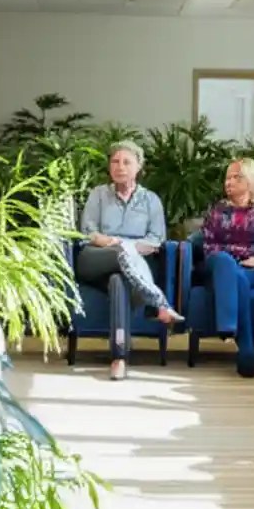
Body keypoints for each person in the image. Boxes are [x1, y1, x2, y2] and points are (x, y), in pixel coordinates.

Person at [76, 140, 182, 381]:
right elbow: (88, 233)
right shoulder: (98, 195)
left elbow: (156, 240)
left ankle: (119, 357)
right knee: (122, 253)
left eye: (126, 162)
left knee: (118, 282)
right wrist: (117, 245)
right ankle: (158, 301)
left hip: (131, 267)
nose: (120, 167)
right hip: (96, 259)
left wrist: (128, 248)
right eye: (115, 161)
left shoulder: (151, 200)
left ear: (138, 167)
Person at [194, 157, 254, 378]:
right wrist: (230, 255)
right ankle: (241, 340)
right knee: (225, 263)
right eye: (227, 178)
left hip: (253, 267)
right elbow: (208, 242)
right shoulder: (217, 210)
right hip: (219, 263)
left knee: (239, 278)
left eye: (236, 177)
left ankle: (234, 335)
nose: (229, 182)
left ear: (251, 181)